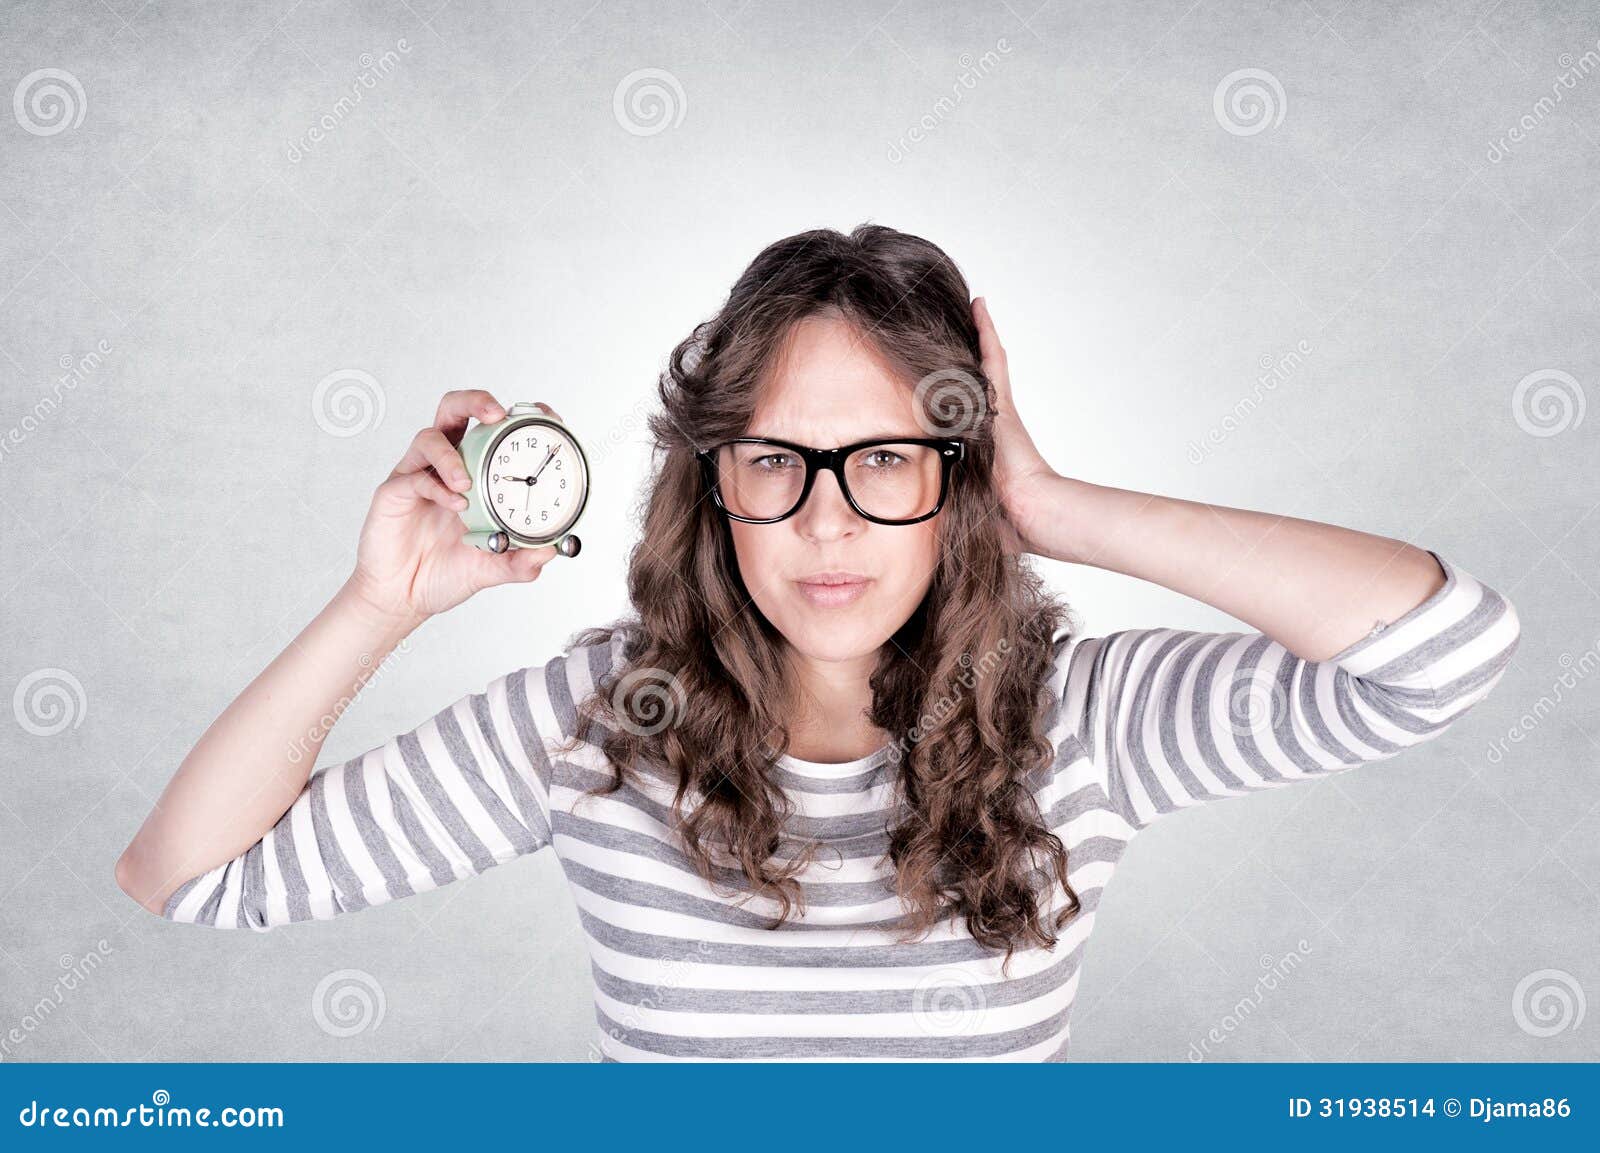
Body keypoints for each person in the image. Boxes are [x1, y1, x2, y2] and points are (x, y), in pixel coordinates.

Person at [115, 223, 1521, 1061]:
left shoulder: (1080, 721)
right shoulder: (605, 719)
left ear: (959, 479)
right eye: (778, 460)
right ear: (715, 483)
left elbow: (1443, 652)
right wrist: (382, 603)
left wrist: (1060, 508)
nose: (828, 521)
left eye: (887, 459)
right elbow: (189, 876)